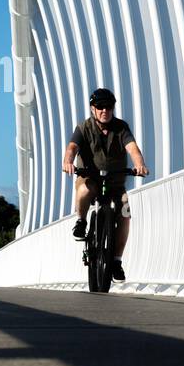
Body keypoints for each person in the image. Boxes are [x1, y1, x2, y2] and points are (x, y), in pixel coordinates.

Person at [61, 88, 149, 280]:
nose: (104, 111)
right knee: (84, 190)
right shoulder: (84, 127)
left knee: (125, 212)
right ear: (93, 108)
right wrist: (68, 161)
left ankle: (116, 261)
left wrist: (139, 164)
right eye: (100, 107)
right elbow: (72, 147)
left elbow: (132, 148)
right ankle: (82, 221)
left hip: (115, 182)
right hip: (90, 178)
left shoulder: (121, 128)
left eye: (108, 107)